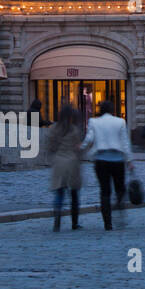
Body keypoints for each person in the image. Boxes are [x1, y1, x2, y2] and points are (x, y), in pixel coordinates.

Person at [80, 99, 133, 231]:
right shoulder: (120, 121)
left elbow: (89, 138)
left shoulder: (94, 122)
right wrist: (129, 160)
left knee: (105, 192)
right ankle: (119, 203)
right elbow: (125, 142)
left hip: (101, 160)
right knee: (120, 188)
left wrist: (81, 147)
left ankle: (107, 223)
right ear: (112, 110)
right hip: (117, 160)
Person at [45, 103, 84, 232]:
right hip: (72, 163)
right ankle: (74, 223)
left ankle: (57, 220)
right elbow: (78, 148)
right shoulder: (74, 130)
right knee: (74, 195)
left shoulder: (54, 128)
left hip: (59, 162)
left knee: (59, 193)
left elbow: (50, 146)